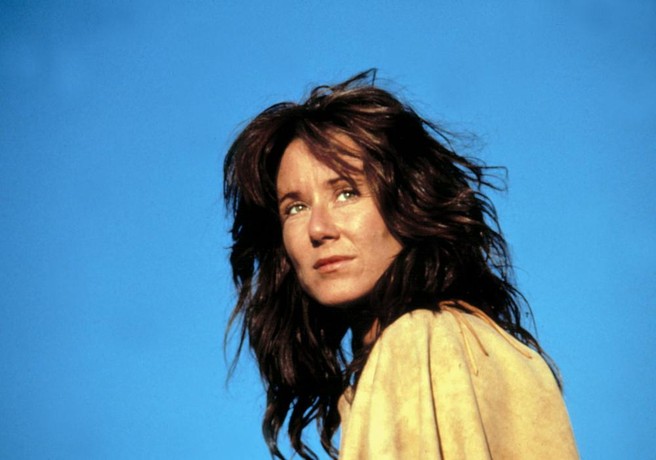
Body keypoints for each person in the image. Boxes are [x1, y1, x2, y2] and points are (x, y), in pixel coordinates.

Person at [223, 70, 578, 459]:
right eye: (295, 207)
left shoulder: (415, 343)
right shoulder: (500, 352)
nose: (318, 229)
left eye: (346, 193)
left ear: (408, 203)